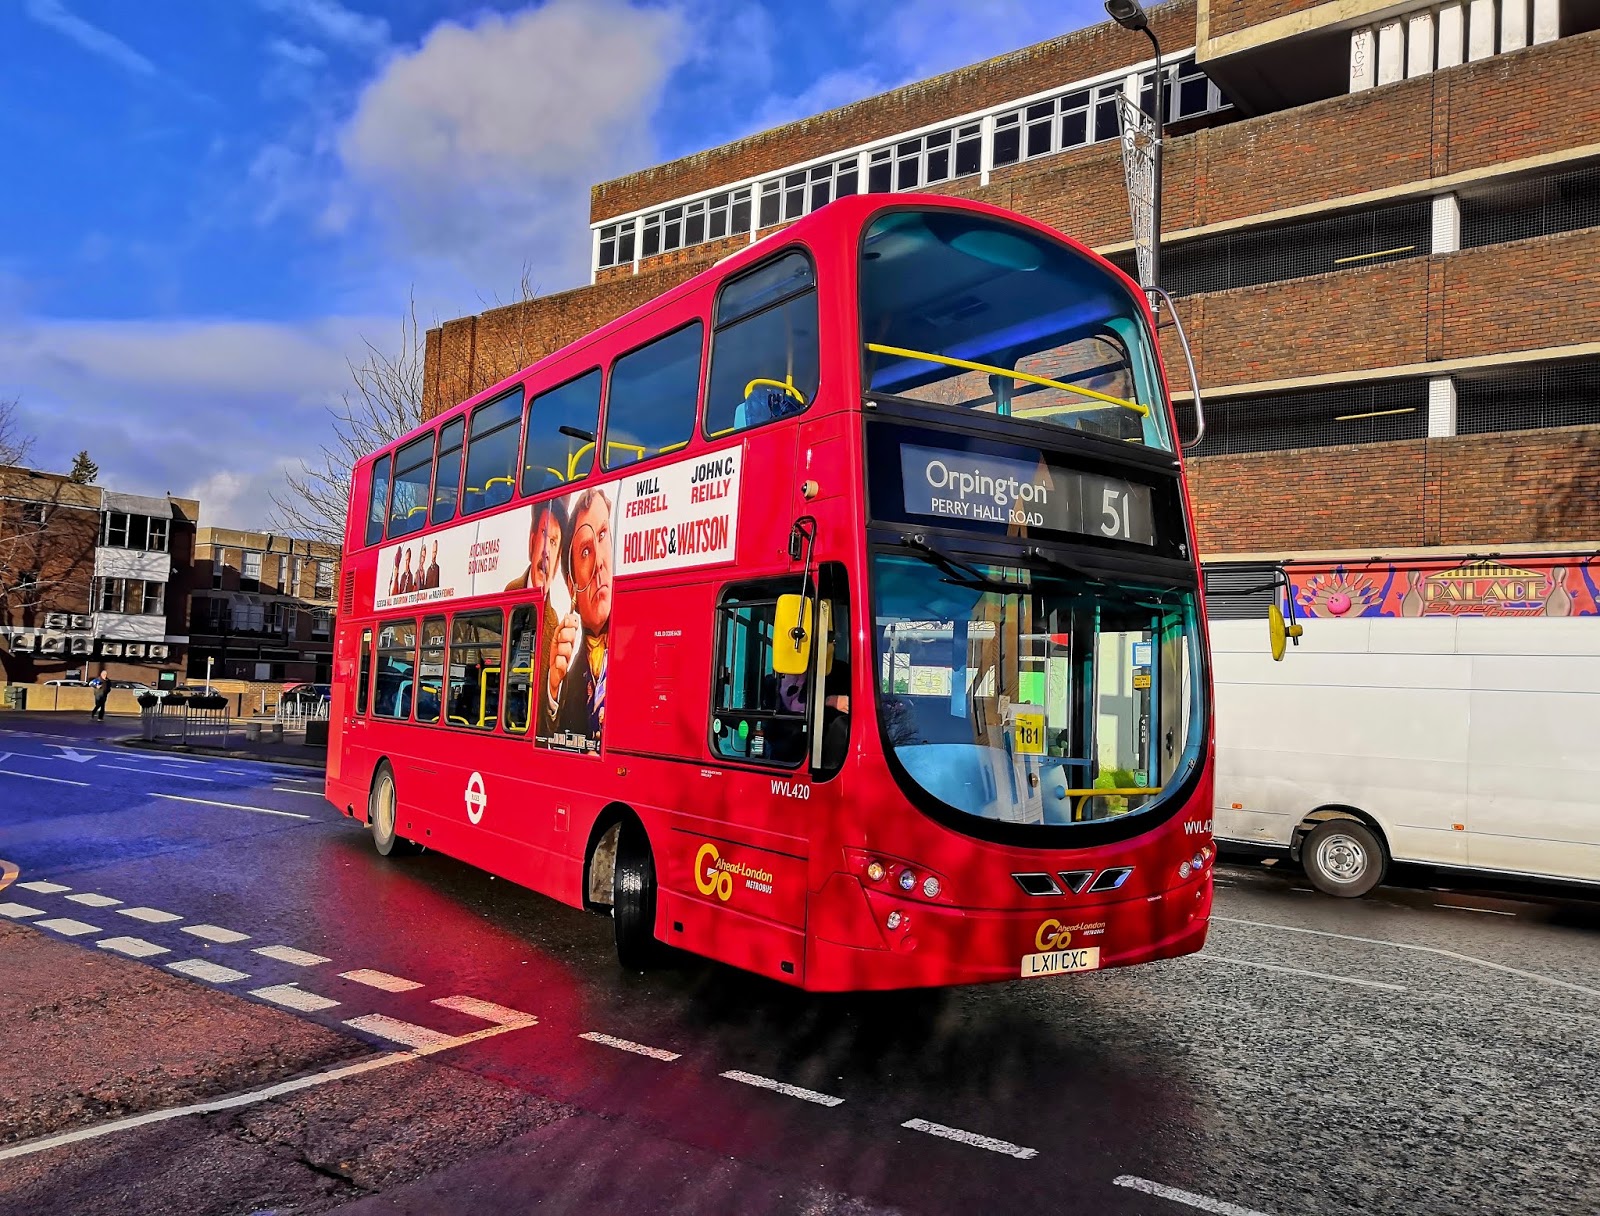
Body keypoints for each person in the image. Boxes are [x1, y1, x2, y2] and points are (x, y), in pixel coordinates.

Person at [542, 487, 611, 749]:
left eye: (603, 535)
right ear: (572, 587)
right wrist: (553, 687)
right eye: (585, 552)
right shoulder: (567, 680)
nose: (599, 562)